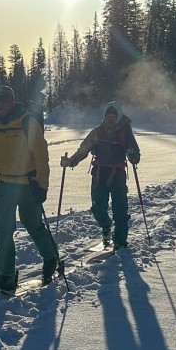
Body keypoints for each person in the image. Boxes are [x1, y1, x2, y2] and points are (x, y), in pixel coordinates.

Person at [0, 85, 60, 294]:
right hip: (4, 184)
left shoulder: (28, 123)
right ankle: (6, 275)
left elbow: (41, 157)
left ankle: (50, 257)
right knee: (3, 230)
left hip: (28, 184)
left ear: (12, 101)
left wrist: (42, 186)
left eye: (4, 100)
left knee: (33, 224)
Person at [62, 100, 141, 250]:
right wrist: (71, 161)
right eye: (108, 116)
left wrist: (133, 155)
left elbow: (135, 156)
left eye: (113, 117)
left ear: (118, 117)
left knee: (120, 211)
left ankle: (120, 242)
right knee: (98, 208)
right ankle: (106, 225)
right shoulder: (97, 133)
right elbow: (83, 150)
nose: (110, 119)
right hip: (99, 174)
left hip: (118, 175)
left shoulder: (125, 133)